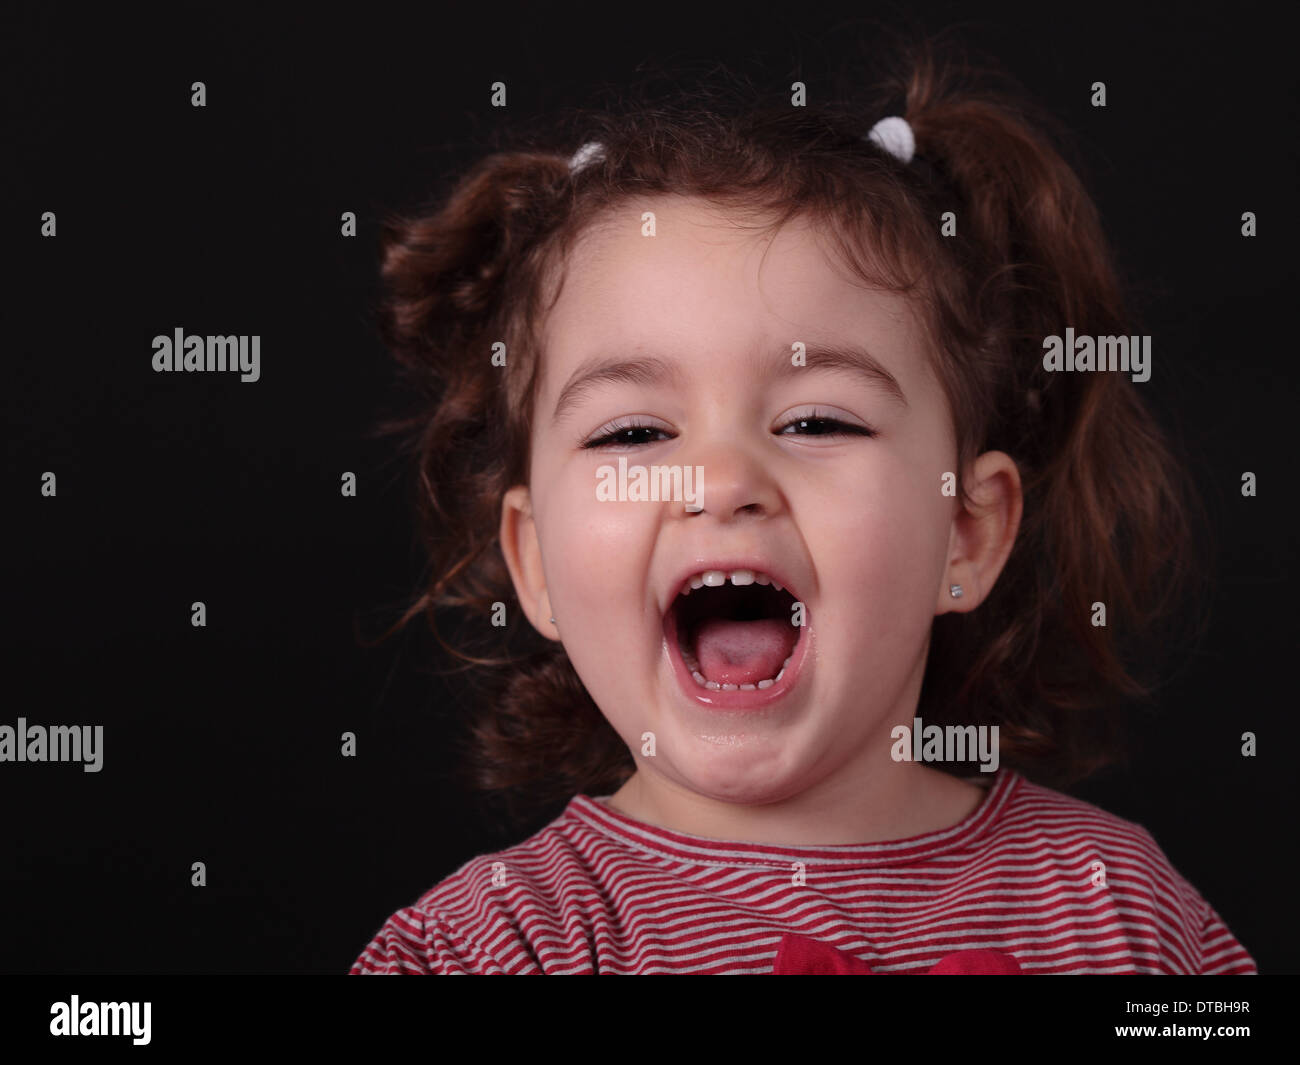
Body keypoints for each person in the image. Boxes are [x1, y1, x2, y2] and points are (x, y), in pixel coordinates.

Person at [350, 40, 1254, 974]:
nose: (720, 479)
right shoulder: (488, 946)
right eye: (632, 435)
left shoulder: (1121, 909)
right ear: (535, 563)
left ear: (967, 531)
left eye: (817, 419)